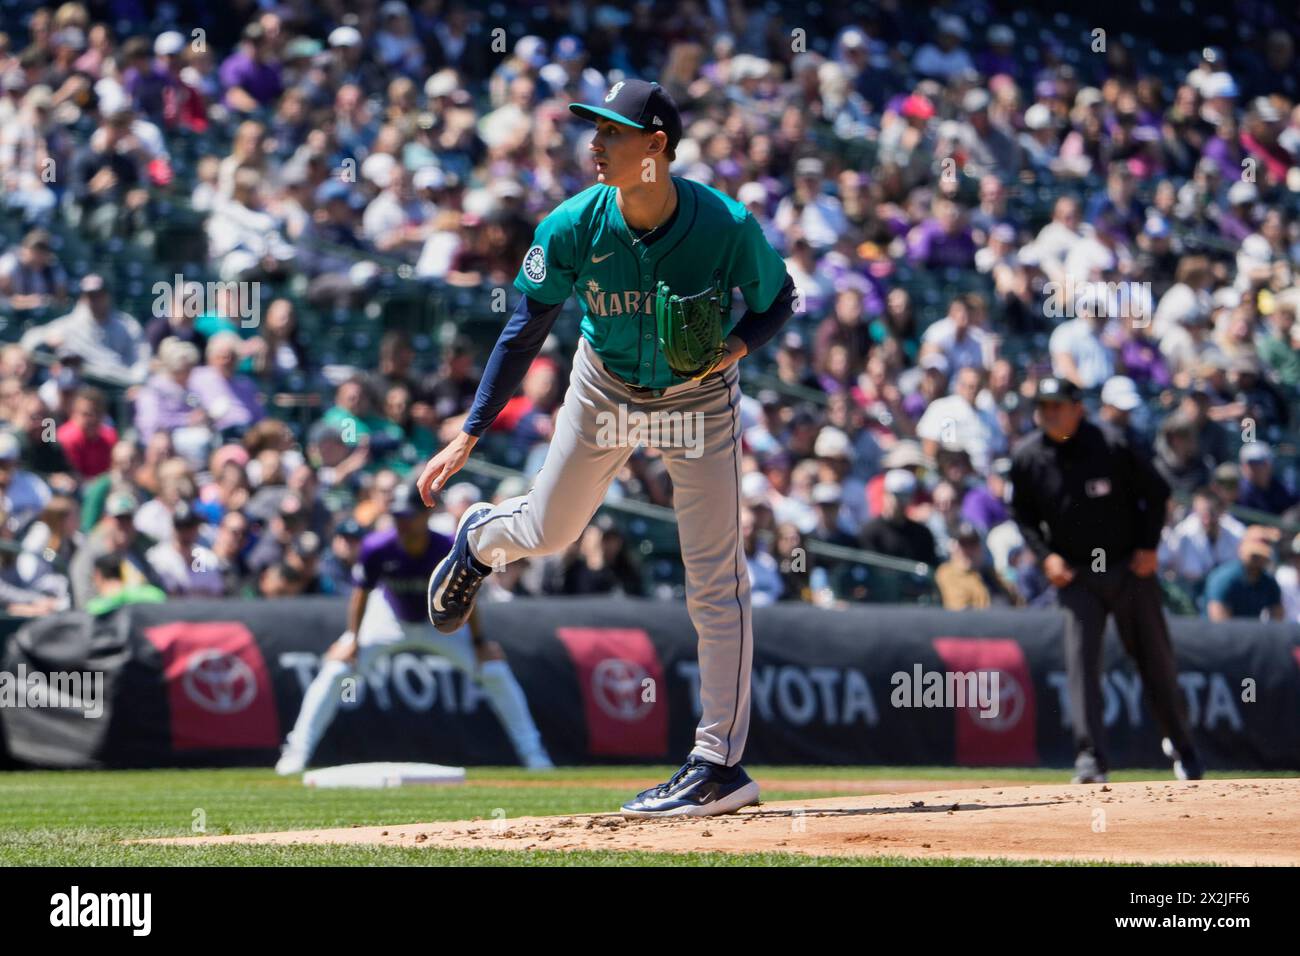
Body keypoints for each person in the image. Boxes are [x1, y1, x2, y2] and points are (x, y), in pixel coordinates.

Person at [416, 79, 796, 818]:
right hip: (607, 388)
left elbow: (779, 298)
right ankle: (479, 540)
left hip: (697, 401)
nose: (593, 143)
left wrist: (739, 346)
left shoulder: (724, 223)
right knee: (550, 532)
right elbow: (524, 326)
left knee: (716, 577)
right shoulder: (570, 225)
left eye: (611, 132)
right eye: (592, 129)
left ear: (656, 146)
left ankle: (719, 763)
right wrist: (470, 431)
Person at [275, 483, 552, 774]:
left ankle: (534, 754)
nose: (401, 523)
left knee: (494, 671)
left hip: (438, 622)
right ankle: (296, 753)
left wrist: (480, 641)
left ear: (425, 516)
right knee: (337, 670)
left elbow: (465, 599)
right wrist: (352, 639)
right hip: (389, 616)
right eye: (396, 516)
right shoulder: (377, 546)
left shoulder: (446, 545)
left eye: (407, 516)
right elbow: (362, 593)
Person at [1009, 377, 1202, 784]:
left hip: (1128, 568)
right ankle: (1090, 760)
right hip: (1077, 576)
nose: (1049, 413)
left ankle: (1184, 749)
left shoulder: (1110, 444)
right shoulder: (1028, 457)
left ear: (1078, 408)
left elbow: (1158, 490)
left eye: (1057, 405)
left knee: (1156, 661)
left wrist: (1150, 547)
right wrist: (1047, 558)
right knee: (1081, 665)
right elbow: (1023, 516)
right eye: (1043, 406)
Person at [1204, 534, 1284, 621]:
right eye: (1253, 555)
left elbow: (1277, 617)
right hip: (1215, 633)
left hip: (1252, 632)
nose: (1255, 559)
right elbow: (1219, 621)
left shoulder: (1268, 582)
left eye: (1259, 555)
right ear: (1242, 551)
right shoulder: (1224, 578)